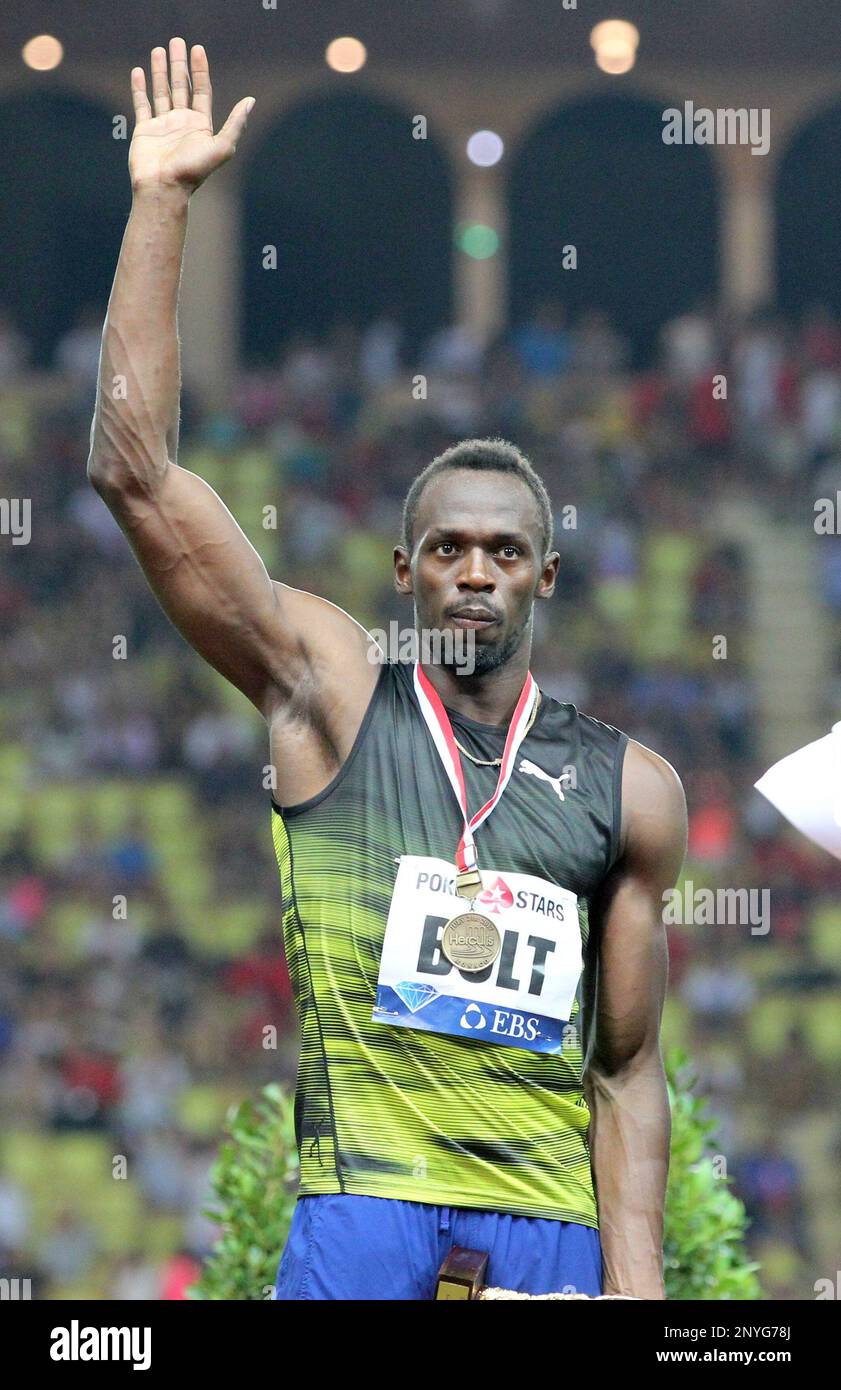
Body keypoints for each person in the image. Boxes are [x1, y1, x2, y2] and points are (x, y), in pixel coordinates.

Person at [87, 39, 687, 1300]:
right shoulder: (328, 688)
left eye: (507, 551)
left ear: (546, 577)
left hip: (547, 1229)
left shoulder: (629, 787)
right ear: (404, 567)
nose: (478, 571)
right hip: (365, 1208)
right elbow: (135, 473)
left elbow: (627, 1071)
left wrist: (646, 1312)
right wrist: (162, 205)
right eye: (451, 548)